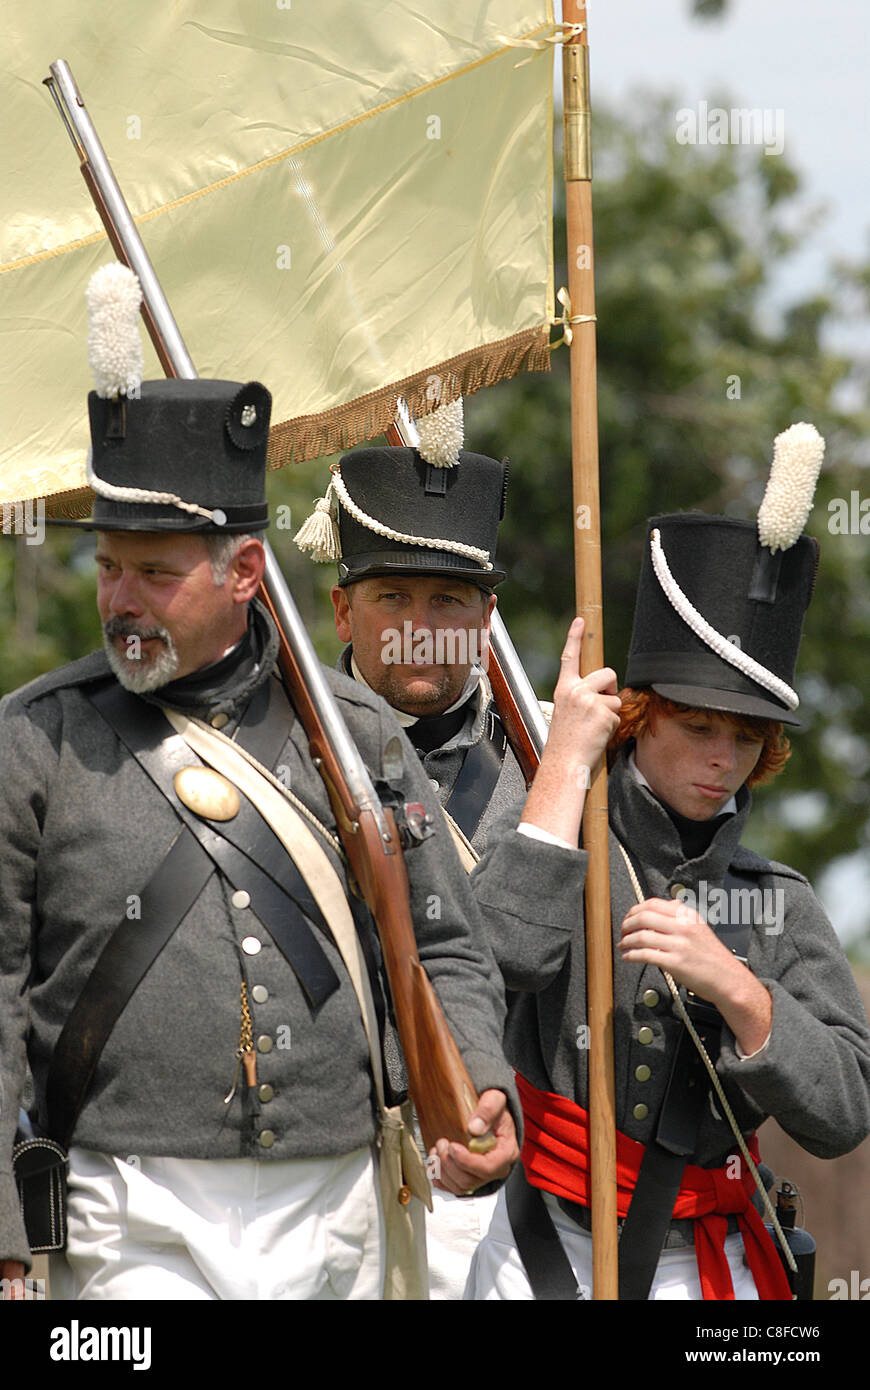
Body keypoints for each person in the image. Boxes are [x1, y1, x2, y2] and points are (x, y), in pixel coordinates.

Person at [0, 277, 518, 1301]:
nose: (122, 601)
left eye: (157, 574)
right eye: (110, 568)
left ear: (244, 572)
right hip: (125, 1205)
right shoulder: (35, 740)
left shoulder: (356, 732)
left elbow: (446, 945)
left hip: (340, 1203)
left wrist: (478, 1081)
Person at [466, 462, 870, 1300]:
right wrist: (564, 767)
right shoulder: (551, 817)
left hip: (710, 1259)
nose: (723, 758)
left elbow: (843, 1116)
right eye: (696, 726)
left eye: (747, 738)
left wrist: (742, 993)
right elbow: (487, 969)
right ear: (641, 716)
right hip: (531, 1246)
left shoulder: (779, 900)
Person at [296, 423, 528, 1296]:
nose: (420, 629)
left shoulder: (552, 765)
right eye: (392, 596)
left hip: (509, 1194)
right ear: (341, 612)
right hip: (320, 1184)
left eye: (449, 599)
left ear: (486, 619)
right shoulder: (274, 754)